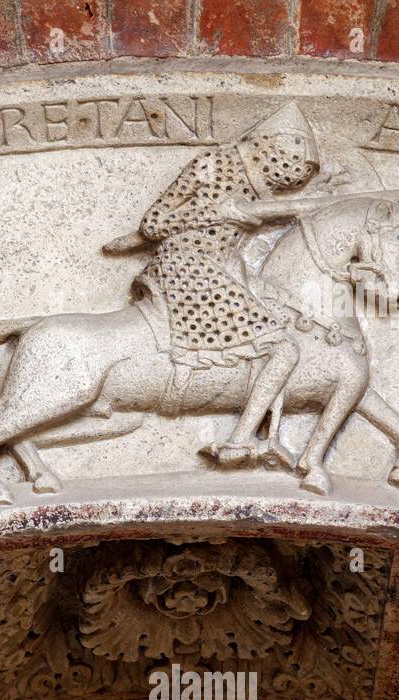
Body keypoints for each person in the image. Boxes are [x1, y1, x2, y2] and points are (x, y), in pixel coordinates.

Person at [132, 103, 320, 464]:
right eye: (291, 160)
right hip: (187, 268)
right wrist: (217, 211)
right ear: (270, 146)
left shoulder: (260, 186)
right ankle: (239, 440)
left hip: (225, 270)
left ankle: (259, 433)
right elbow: (152, 224)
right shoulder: (211, 165)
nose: (293, 174)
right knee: (283, 350)